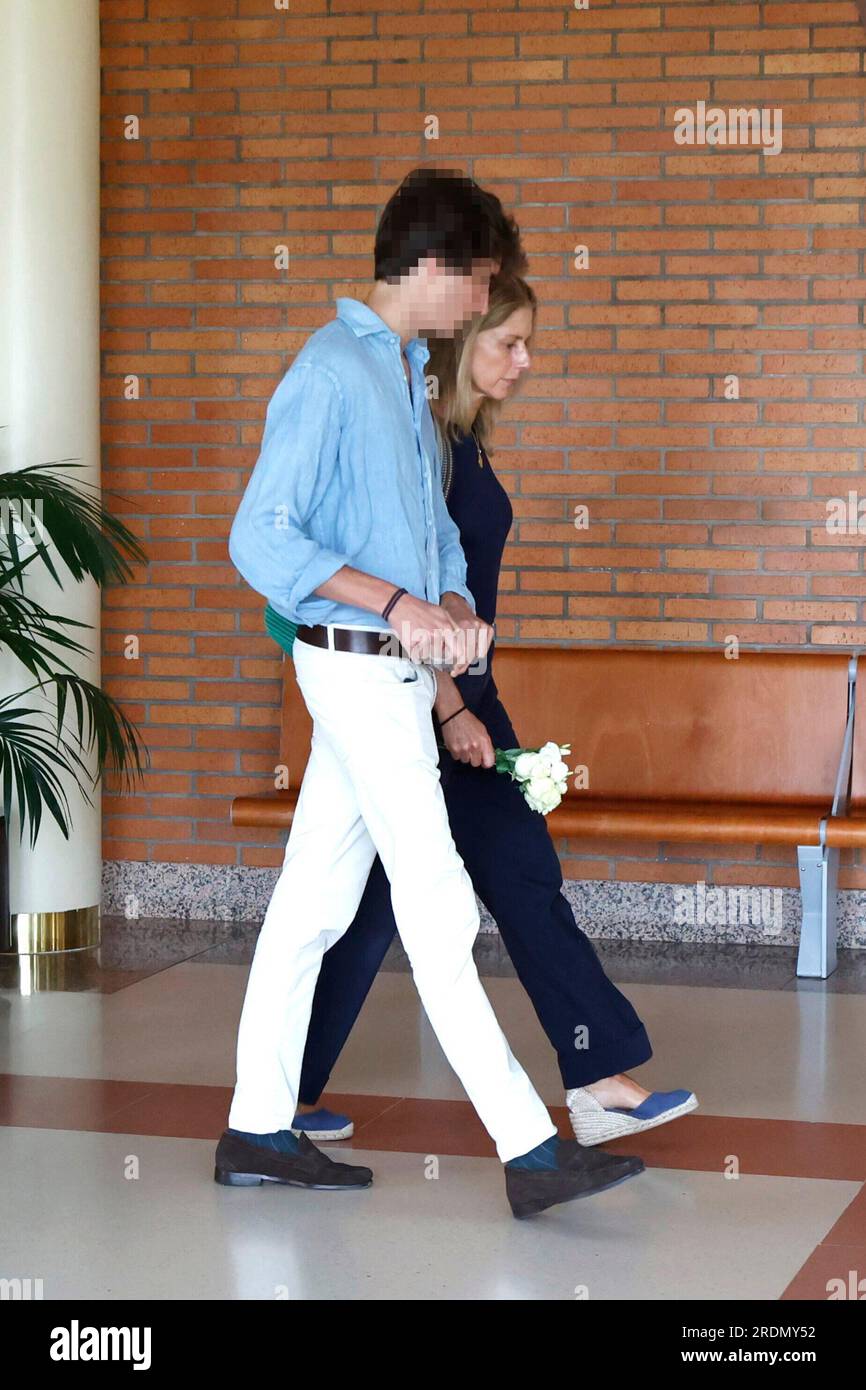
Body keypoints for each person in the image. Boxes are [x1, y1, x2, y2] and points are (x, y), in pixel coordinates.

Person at [219, 167, 644, 1219]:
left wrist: (447, 602)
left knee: (308, 909)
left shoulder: (404, 374)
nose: (477, 309)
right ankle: (529, 1148)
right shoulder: (327, 371)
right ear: (435, 265)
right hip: (354, 666)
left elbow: (438, 532)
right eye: (477, 285)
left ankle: (256, 1127)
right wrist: (401, 604)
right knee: (441, 901)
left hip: (395, 672)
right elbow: (260, 536)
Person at [274, 273, 698, 1151]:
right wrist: (451, 708)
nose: (525, 361)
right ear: (463, 345)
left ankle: (283, 1095)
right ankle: (592, 1079)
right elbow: (404, 587)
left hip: (453, 688)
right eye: (509, 343)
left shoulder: (459, 443)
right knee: (514, 874)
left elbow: (448, 582)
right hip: (435, 697)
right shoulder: (420, 439)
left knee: (376, 902)